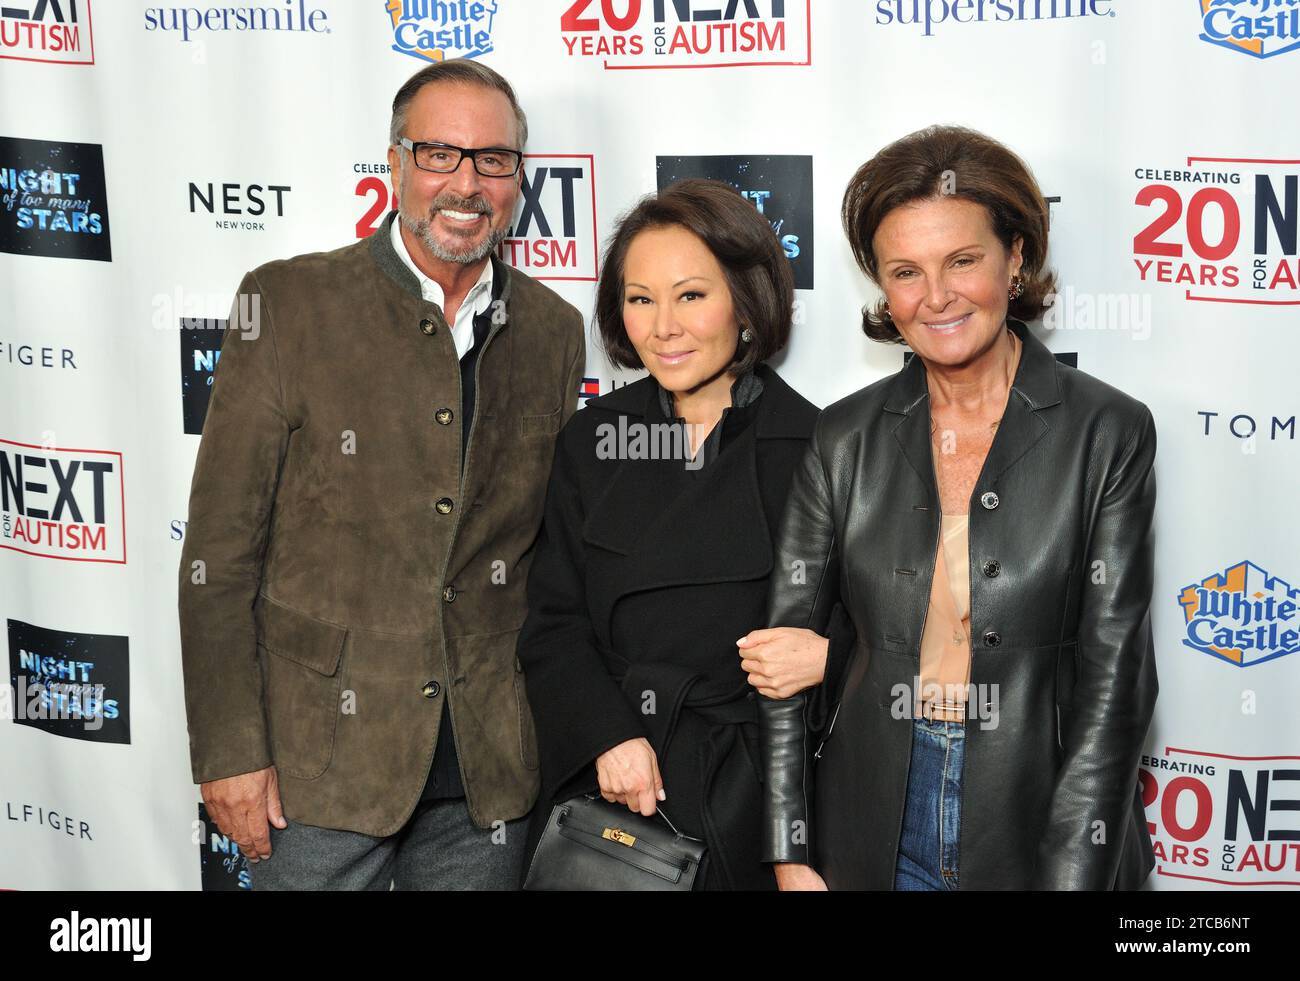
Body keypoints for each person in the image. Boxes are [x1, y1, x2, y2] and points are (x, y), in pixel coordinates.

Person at [178, 60, 585, 890]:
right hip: (316, 767)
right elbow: (218, 557)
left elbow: (549, 551)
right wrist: (230, 752)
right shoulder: (287, 304)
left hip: (487, 774)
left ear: (519, 178)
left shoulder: (552, 328)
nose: (465, 183)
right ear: (394, 163)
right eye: (439, 154)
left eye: (493, 160)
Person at [759, 125, 1159, 891]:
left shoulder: (1107, 430)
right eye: (905, 271)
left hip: (1039, 818)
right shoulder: (844, 435)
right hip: (871, 819)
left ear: (1016, 259)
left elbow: (1115, 684)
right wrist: (790, 853)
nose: (934, 297)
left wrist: (1073, 876)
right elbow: (784, 661)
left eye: (962, 261)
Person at [515, 179, 852, 890]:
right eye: (641, 299)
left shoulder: (823, 445)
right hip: (612, 798)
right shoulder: (592, 439)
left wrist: (832, 655)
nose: (663, 326)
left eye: (691, 295)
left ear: (747, 298)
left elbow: (886, 630)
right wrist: (607, 733)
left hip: (763, 806)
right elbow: (550, 622)